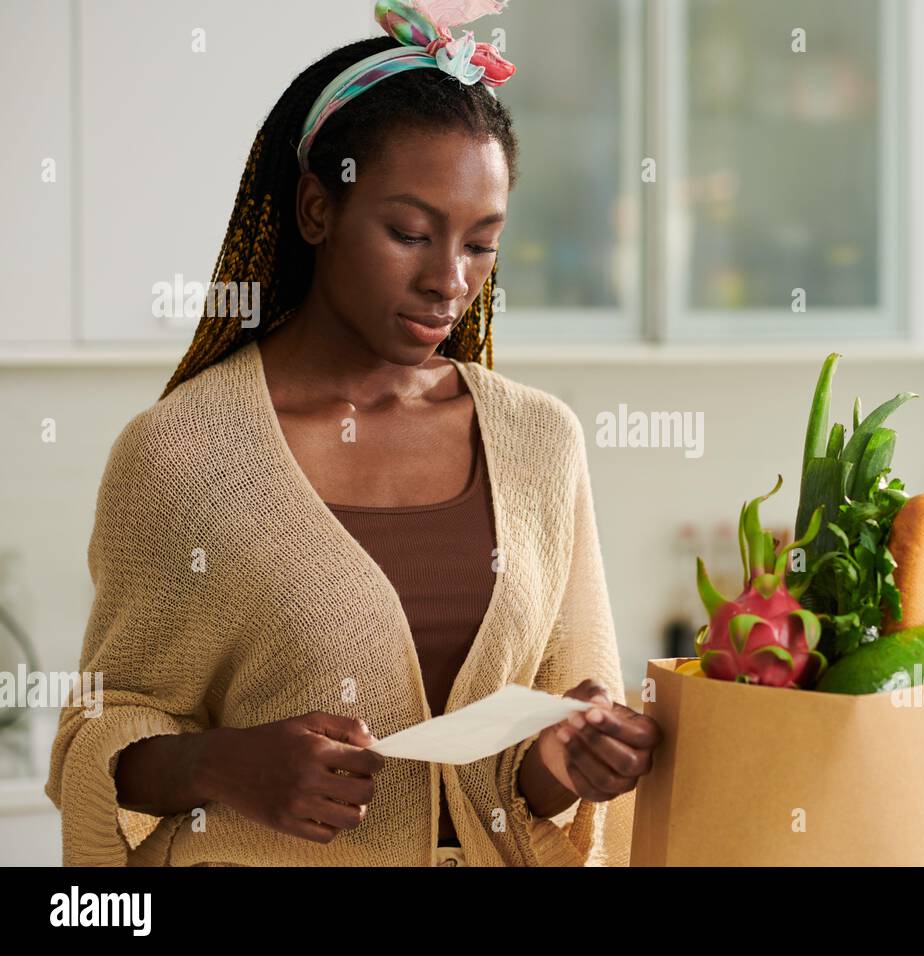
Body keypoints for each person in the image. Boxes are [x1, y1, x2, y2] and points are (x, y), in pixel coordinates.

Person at [44, 0, 661, 867]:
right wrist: (225, 764)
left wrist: (568, 761)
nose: (450, 281)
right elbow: (99, 737)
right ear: (315, 209)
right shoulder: (181, 454)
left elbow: (547, 748)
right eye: (410, 232)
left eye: (482, 245)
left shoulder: (538, 442)